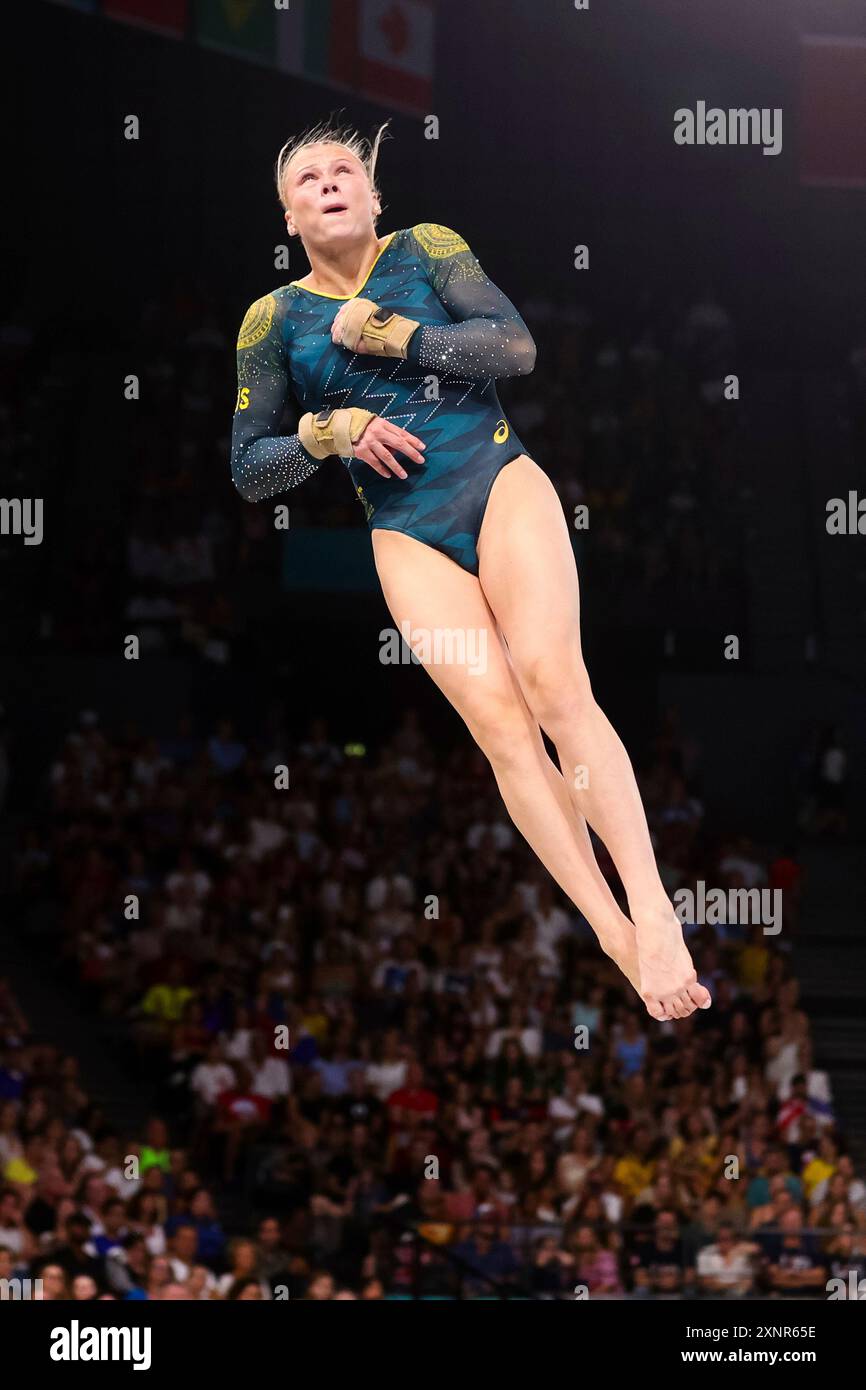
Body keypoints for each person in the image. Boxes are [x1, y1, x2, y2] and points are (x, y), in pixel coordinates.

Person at [229, 117, 712, 1023]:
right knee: (501, 729)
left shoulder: (426, 246)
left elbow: (513, 347)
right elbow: (251, 467)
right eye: (308, 178)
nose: (329, 181)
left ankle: (652, 907)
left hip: (497, 481)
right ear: (289, 216)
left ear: (375, 198)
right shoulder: (273, 318)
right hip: (406, 529)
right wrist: (327, 431)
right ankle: (612, 933)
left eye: (344, 170)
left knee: (554, 684)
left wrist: (393, 333)